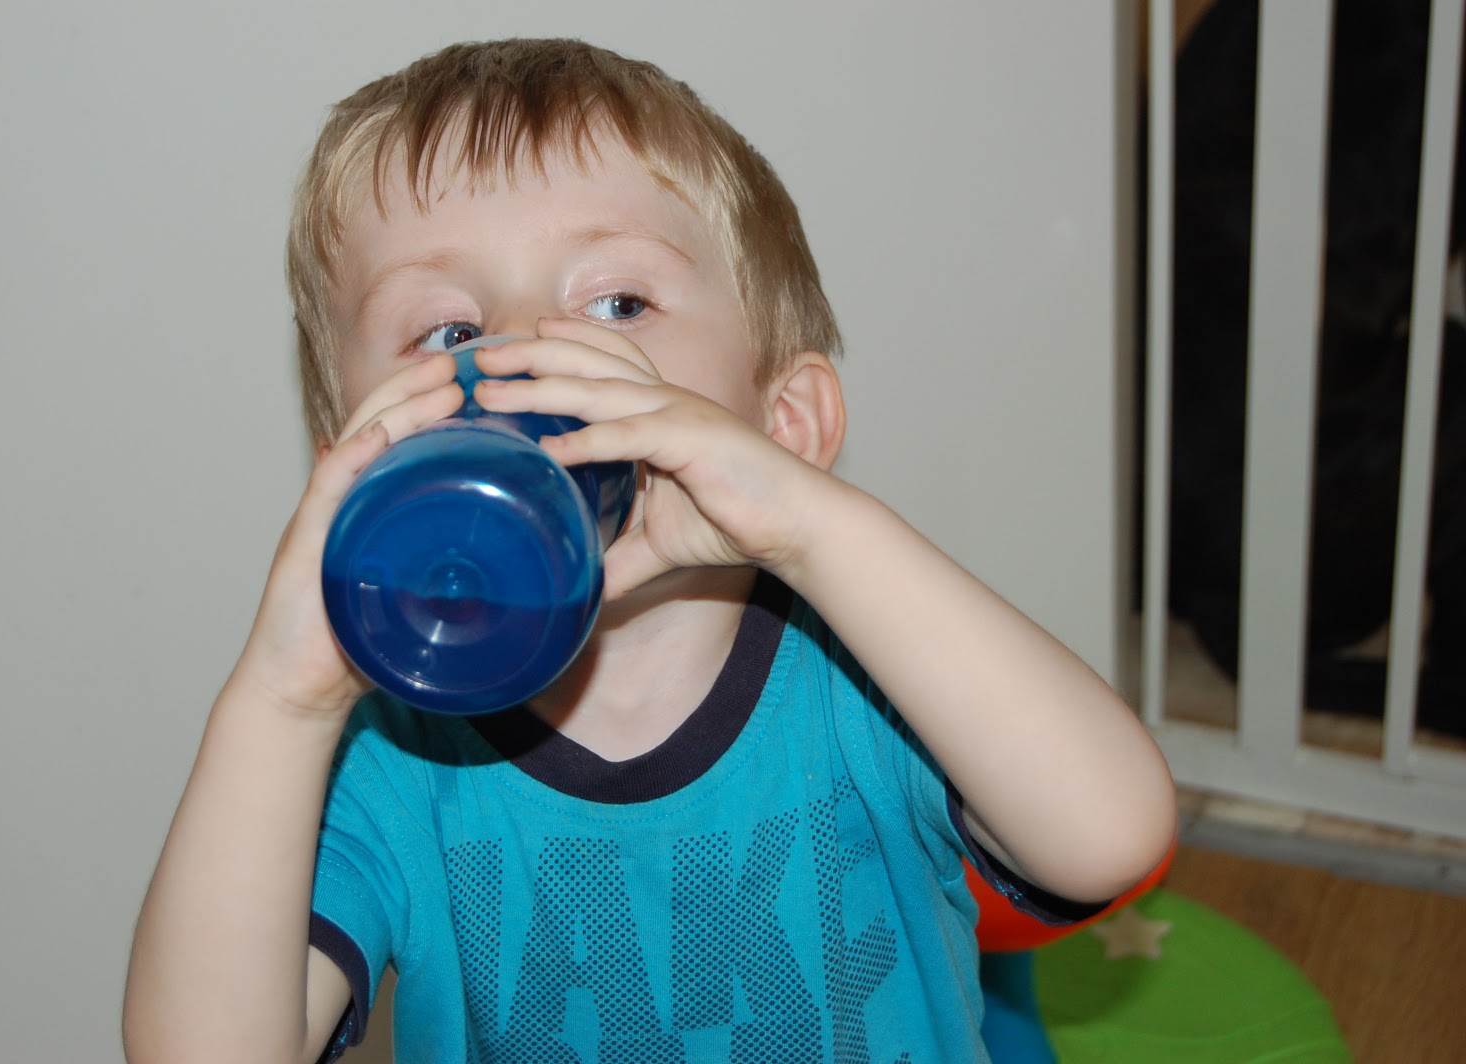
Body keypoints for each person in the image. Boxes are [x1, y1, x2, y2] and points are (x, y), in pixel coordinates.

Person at [123, 37, 1177, 1063]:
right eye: (447, 333)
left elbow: (1111, 833)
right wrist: (283, 699)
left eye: (618, 303)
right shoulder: (393, 754)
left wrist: (811, 522)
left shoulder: (868, 671)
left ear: (781, 423)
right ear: (350, 468)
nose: (529, 350)